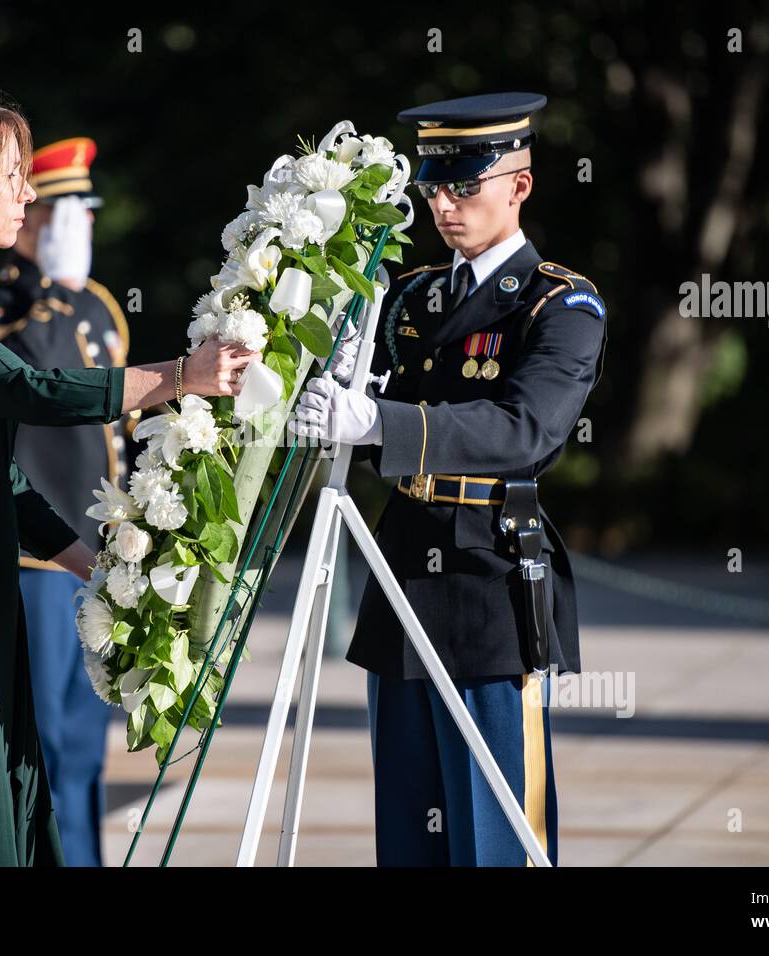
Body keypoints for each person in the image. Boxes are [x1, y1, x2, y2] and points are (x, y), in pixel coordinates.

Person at [0, 89, 260, 866]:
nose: (28, 194)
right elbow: (25, 394)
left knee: (7, 832)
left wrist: (94, 564)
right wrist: (184, 376)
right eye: (11, 174)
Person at [289, 92, 608, 866]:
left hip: (489, 582)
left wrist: (375, 423)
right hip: (405, 573)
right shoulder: (413, 296)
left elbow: (523, 429)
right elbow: (372, 411)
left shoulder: (561, 305)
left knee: (498, 833)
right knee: (409, 831)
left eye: (463, 187)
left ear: (519, 186)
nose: (443, 204)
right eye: (434, 188)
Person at [0, 136, 132, 866]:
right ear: (32, 218)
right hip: (35, 553)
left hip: (92, 548)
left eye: (85, 212)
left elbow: (117, 423)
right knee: (46, 736)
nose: (81, 226)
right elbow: (34, 383)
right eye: (68, 212)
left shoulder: (96, 302)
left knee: (88, 734)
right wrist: (53, 291)